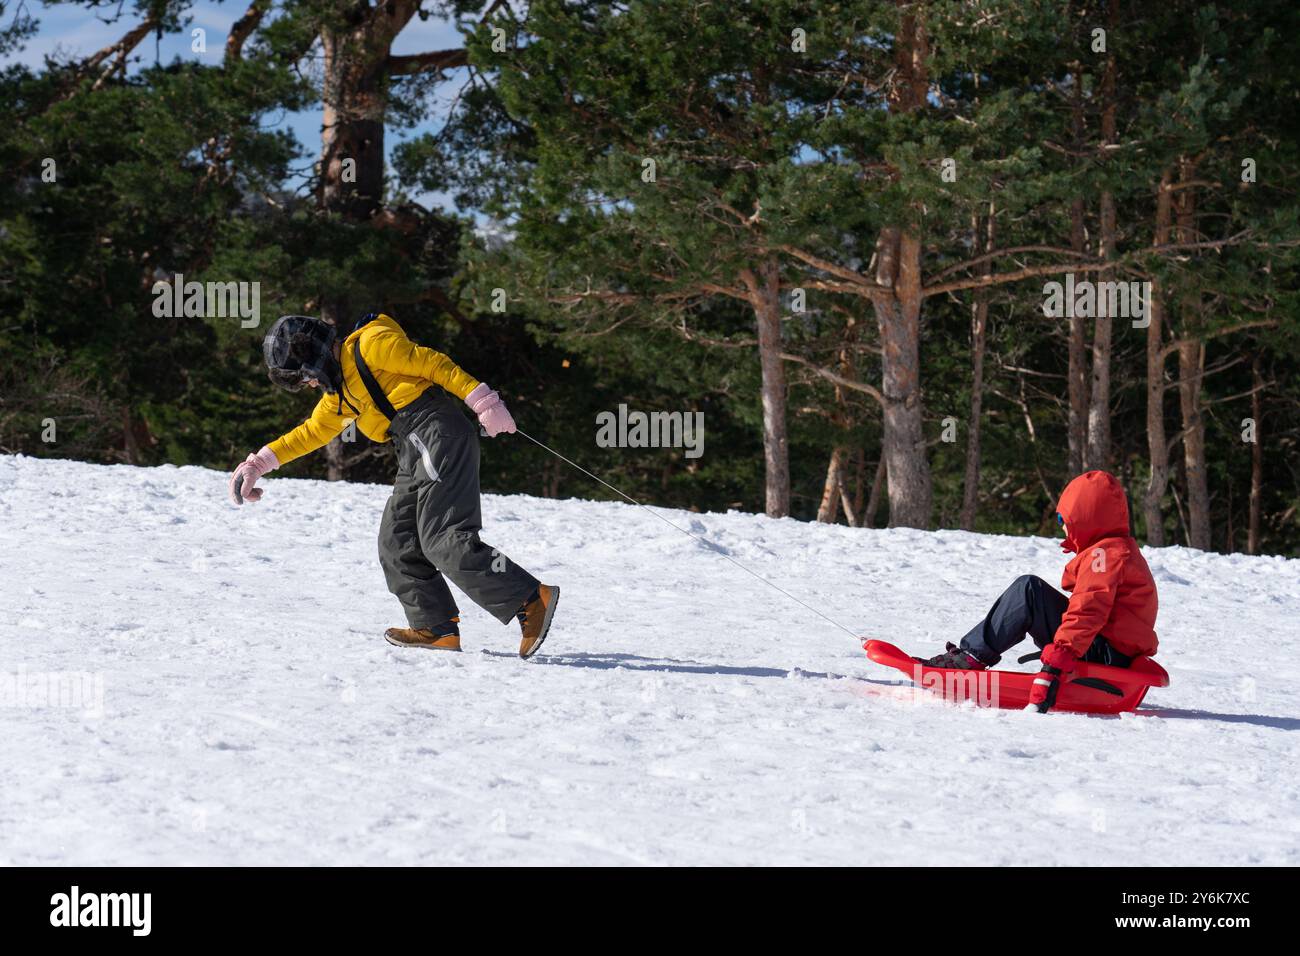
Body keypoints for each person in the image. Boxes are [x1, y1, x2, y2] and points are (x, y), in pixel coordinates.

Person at [229, 312, 559, 659]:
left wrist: (482, 401)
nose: (309, 385)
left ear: (316, 358)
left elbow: (433, 363)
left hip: (437, 432)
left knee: (443, 539)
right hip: (412, 449)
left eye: (306, 377)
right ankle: (436, 626)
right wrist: (258, 463)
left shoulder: (372, 346)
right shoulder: (341, 395)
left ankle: (531, 599)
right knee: (396, 541)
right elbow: (311, 432)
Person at [922, 470, 1158, 712]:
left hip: (1104, 655)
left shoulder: (1103, 556)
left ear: (1087, 518)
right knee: (1032, 591)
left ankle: (971, 658)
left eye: (1064, 520)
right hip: (1111, 652)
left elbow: (1089, 608)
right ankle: (974, 653)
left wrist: (1060, 655)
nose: (1063, 528)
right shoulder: (1116, 550)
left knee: (1029, 591)